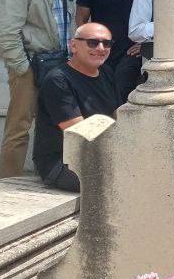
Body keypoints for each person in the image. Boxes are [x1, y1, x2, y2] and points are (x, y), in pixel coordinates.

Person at [0, 0, 75, 177]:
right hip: (29, 65)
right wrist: (22, 68)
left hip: (58, 65)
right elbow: (6, 33)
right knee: (19, 128)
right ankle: (8, 185)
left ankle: (49, 177)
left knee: (52, 124)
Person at [33, 22, 120, 191]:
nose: (101, 48)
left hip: (101, 153)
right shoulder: (57, 80)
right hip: (63, 164)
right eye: (92, 42)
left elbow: (117, 116)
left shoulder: (107, 72)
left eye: (107, 43)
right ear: (73, 45)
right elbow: (80, 133)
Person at [75, 0, 151, 103]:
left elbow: (159, 18)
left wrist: (146, 43)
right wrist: (86, 45)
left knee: (123, 91)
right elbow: (81, 17)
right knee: (99, 95)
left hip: (133, 50)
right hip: (100, 48)